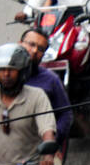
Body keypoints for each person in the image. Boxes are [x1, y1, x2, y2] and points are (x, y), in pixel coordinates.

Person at [0, 44, 58, 165]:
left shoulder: (37, 96)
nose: (6, 74)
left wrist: (48, 156)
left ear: (22, 71)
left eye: (11, 70)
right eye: (1, 70)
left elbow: (47, 130)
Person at [19, 25, 72, 153]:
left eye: (41, 48)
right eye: (31, 44)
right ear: (20, 43)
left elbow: (66, 114)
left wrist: (51, 140)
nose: (35, 50)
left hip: (38, 150)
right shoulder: (0, 73)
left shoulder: (51, 80)